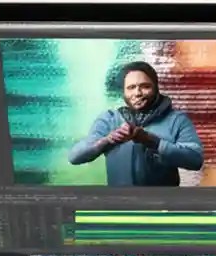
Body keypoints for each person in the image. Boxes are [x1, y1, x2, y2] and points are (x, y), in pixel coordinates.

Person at [67, 61, 204, 186]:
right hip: (121, 207)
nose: (137, 93)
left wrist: (153, 142)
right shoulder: (109, 119)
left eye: (145, 86)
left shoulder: (176, 119)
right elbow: (74, 157)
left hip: (162, 207)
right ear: (124, 92)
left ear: (156, 87)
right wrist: (107, 141)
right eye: (131, 87)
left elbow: (195, 160)